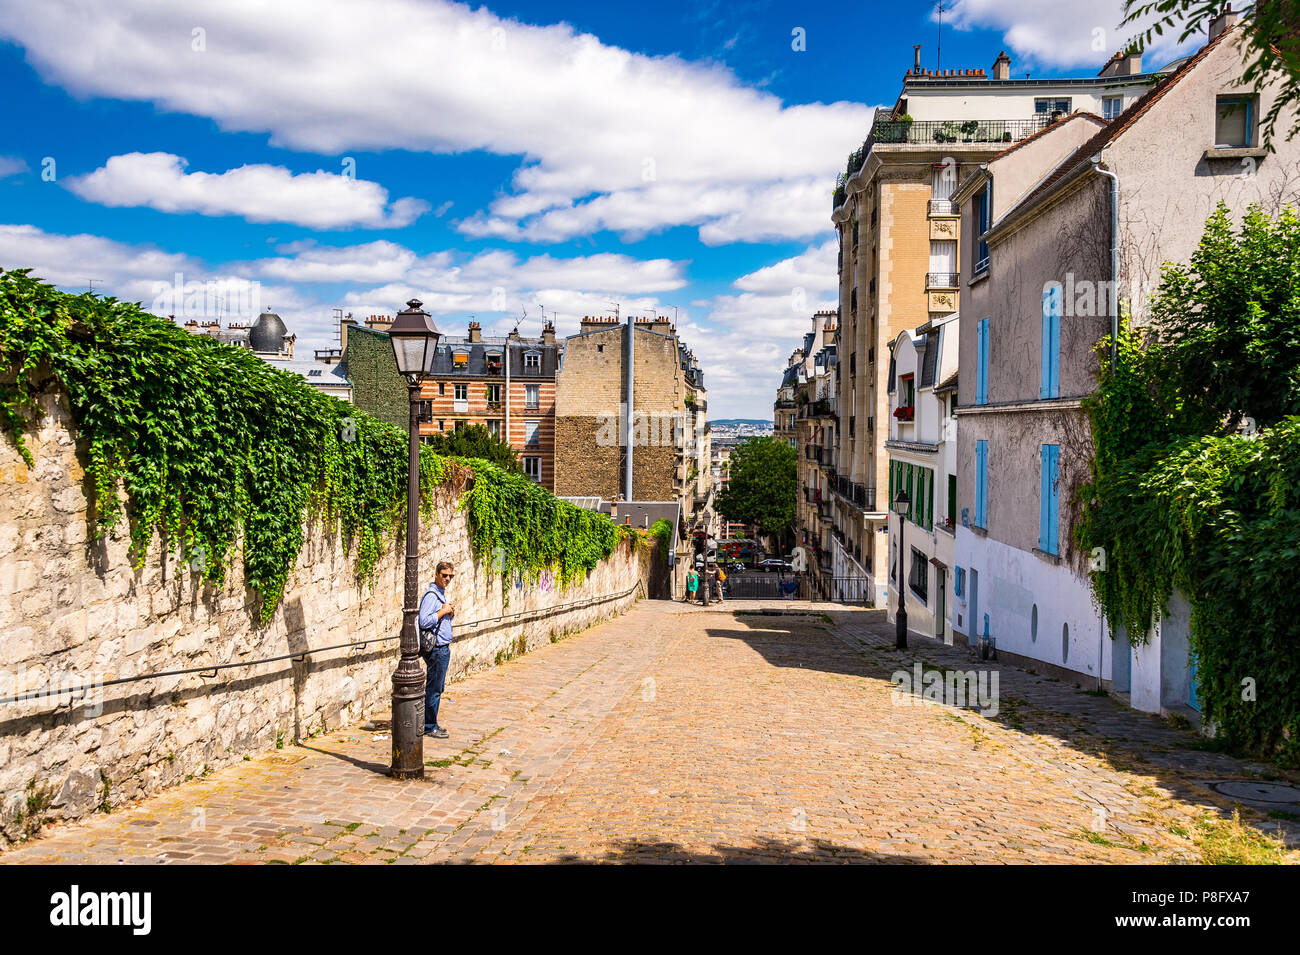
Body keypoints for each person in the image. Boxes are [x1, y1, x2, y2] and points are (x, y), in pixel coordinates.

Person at [418, 561, 456, 739]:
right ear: (436, 574)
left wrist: (449, 612)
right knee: (434, 688)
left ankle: (430, 722)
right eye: (444, 575)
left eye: (450, 576)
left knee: (437, 687)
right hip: (437, 649)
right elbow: (424, 621)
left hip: (442, 648)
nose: (447, 579)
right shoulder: (431, 595)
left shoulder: (440, 594)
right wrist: (442, 612)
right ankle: (428, 725)